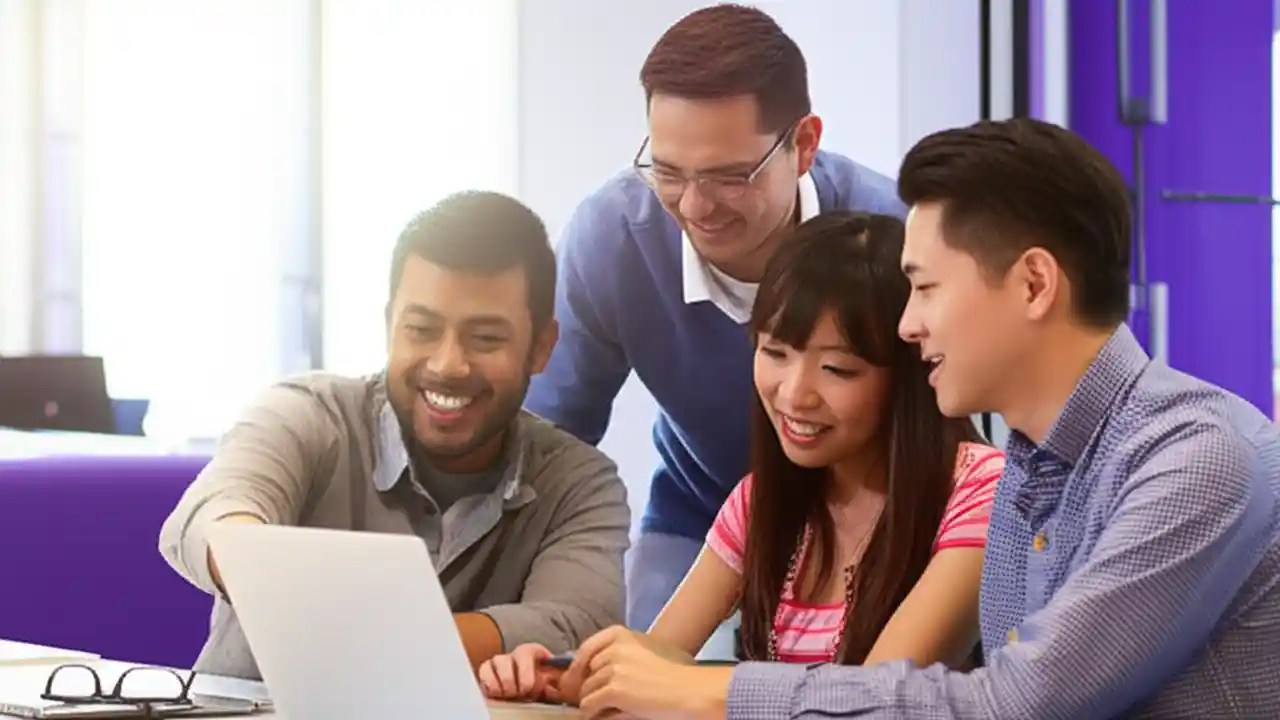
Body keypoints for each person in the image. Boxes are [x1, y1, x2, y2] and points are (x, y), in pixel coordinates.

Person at [546, 118, 1280, 719]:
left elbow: (1019, 704)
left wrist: (715, 690)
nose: (906, 327)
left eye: (925, 289)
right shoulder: (1036, 464)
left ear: (1033, 284)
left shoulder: (1195, 457)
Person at [478, 211, 1005, 703]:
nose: (794, 394)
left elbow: (869, 704)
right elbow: (655, 657)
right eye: (774, 353)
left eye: (838, 369)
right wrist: (561, 676)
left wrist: (680, 688)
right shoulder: (763, 499)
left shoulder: (977, 487)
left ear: (909, 374)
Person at [524, 3, 906, 631]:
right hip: (700, 515)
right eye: (669, 172)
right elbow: (547, 445)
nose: (695, 207)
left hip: (880, 522)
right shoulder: (616, 235)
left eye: (731, 177)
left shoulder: (895, 237)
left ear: (804, 145)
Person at [158, 191, 631, 681]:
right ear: (390, 326)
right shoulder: (307, 414)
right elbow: (204, 521)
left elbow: (576, 626)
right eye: (422, 330)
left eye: (486, 338)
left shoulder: (580, 483)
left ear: (541, 347)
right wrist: (251, 555)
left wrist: (339, 627)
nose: (448, 365)